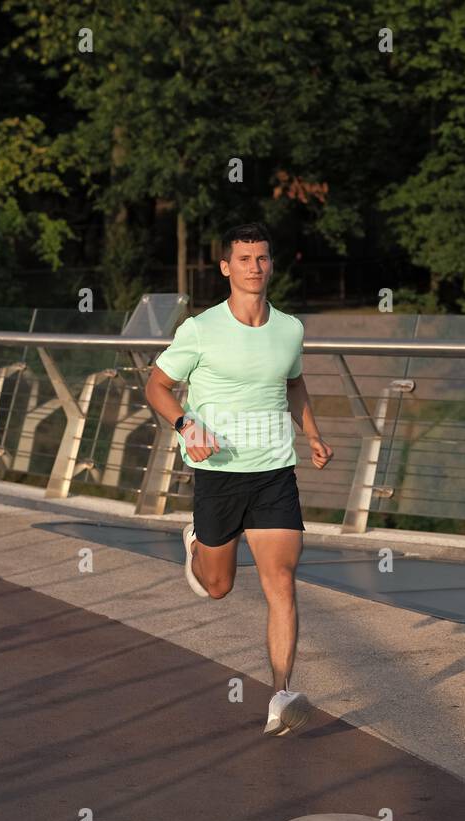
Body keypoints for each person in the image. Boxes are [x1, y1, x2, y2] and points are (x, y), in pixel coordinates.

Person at [146, 222, 334, 737]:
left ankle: (282, 694)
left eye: (263, 258)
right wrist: (187, 423)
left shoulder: (289, 328)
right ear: (226, 267)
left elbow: (294, 383)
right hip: (218, 475)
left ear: (272, 264)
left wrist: (312, 434)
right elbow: (157, 386)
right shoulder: (200, 330)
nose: (255, 267)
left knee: (282, 583)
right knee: (219, 586)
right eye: (245, 259)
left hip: (275, 471)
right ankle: (195, 547)